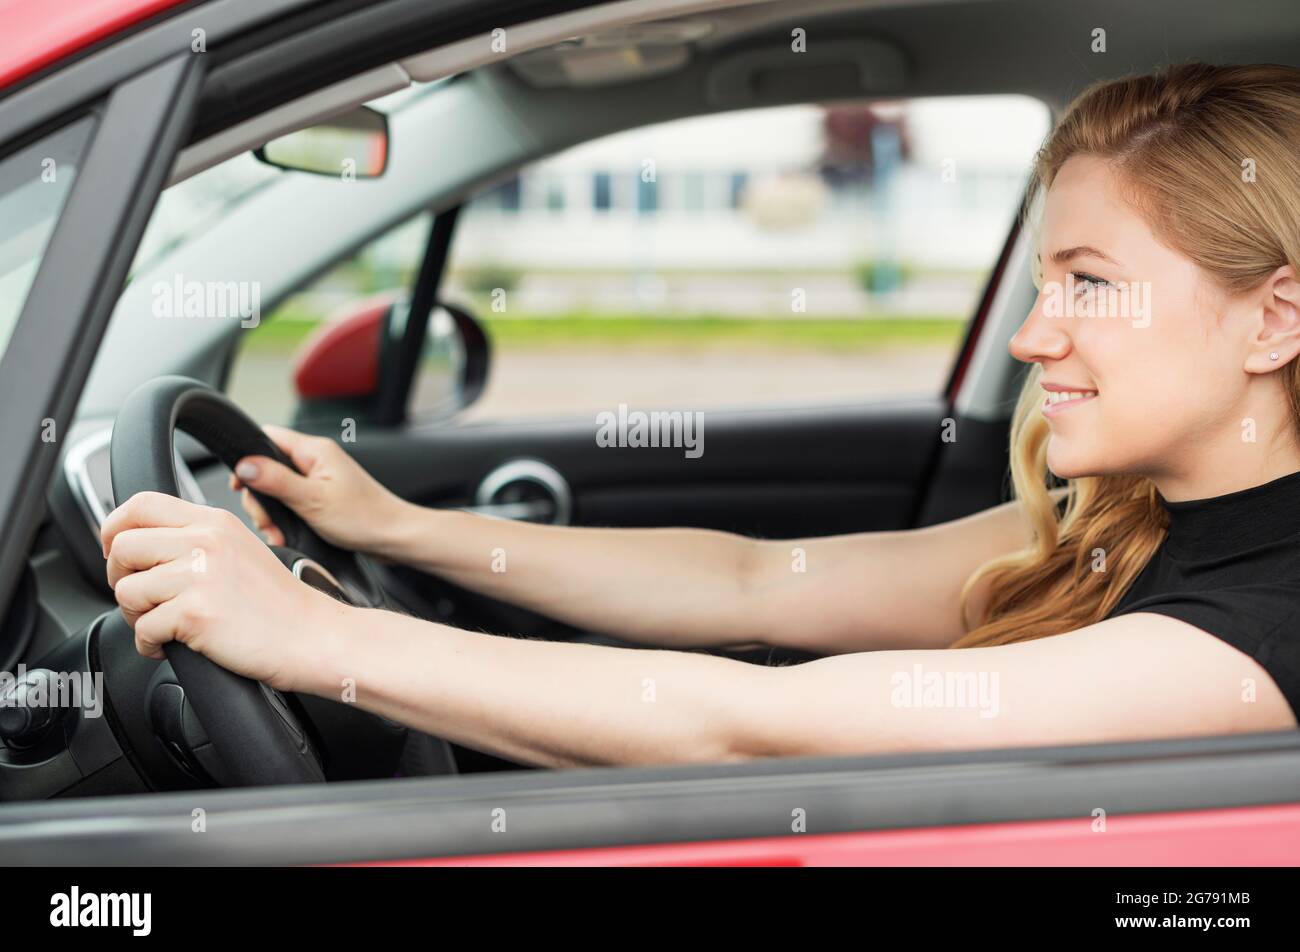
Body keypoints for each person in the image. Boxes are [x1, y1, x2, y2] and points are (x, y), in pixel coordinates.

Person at [103, 62, 1300, 769]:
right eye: (1042, 284)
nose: (1038, 338)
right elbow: (752, 582)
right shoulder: (1127, 520)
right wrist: (396, 525)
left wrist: (320, 641)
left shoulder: (1254, 638)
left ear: (1272, 320)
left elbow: (752, 728)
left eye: (1090, 284)